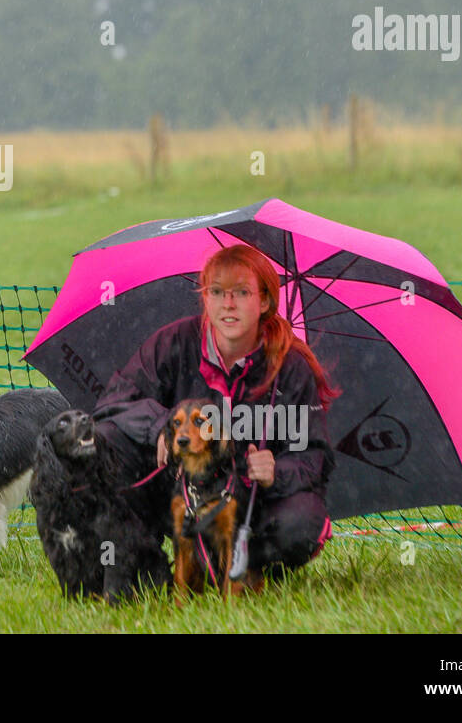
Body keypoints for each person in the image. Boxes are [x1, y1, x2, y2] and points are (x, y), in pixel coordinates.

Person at [92, 243, 340, 577]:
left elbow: (315, 455)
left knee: (301, 522)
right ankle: (142, 563)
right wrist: (164, 426)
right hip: (179, 491)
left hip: (250, 503)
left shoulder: (291, 366)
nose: (228, 303)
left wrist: (275, 471)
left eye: (242, 292)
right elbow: (114, 403)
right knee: (107, 439)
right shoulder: (174, 342)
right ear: (205, 298)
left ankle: (246, 565)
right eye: (217, 291)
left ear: (264, 301)